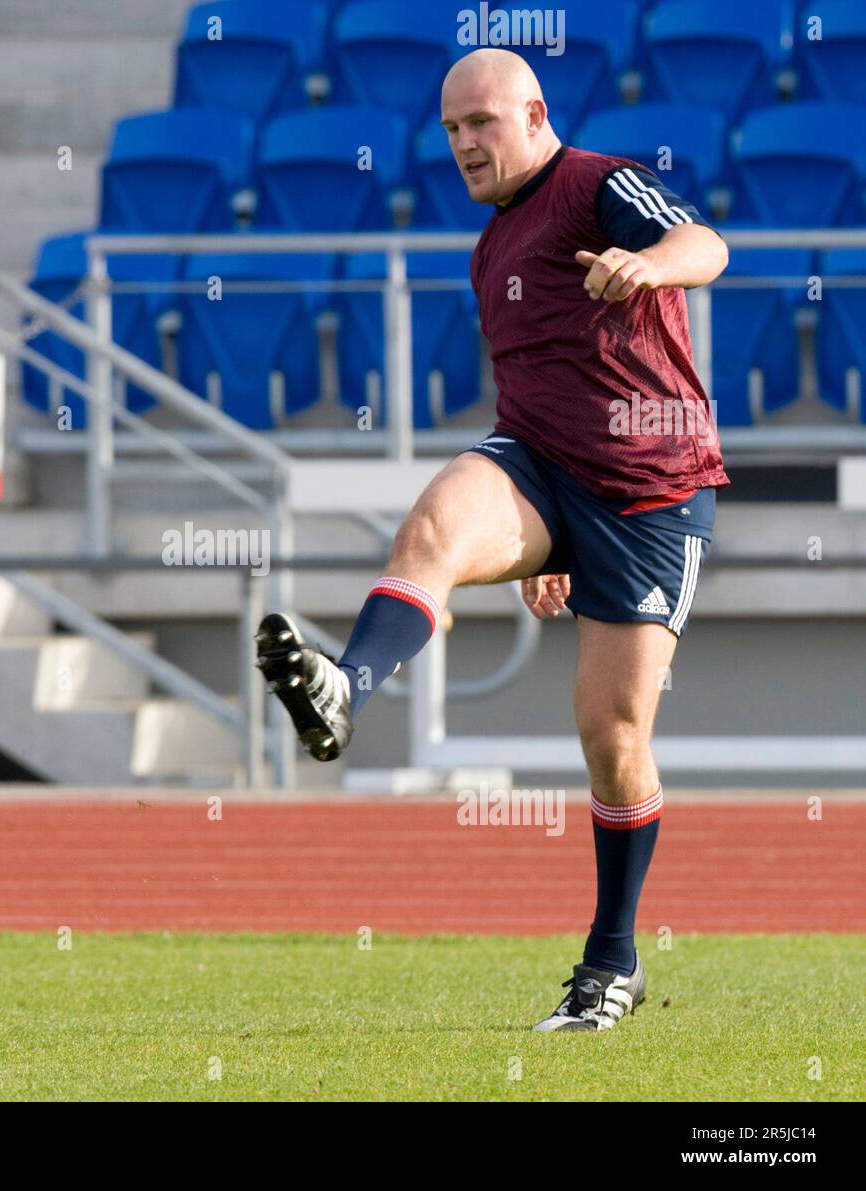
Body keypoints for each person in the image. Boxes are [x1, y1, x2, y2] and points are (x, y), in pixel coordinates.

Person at [256, 48, 729, 1032]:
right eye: (452, 129)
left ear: (533, 112)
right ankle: (344, 688)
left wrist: (645, 263)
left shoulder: (598, 184)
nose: (466, 143)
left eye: (482, 123)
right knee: (431, 526)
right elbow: (534, 385)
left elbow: (707, 247)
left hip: (650, 496)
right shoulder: (489, 247)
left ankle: (612, 959)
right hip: (539, 469)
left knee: (612, 739)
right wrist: (535, 542)